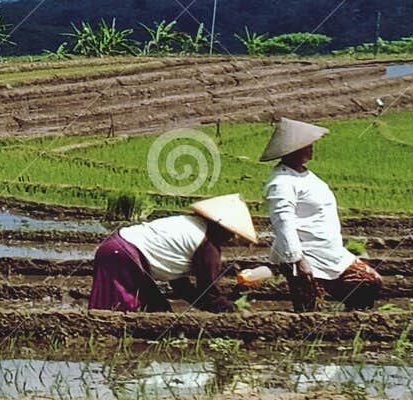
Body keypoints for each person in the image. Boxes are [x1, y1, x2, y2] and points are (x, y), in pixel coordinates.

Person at [259, 118, 382, 311]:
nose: (311, 147)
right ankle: (309, 336)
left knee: (368, 282)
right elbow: (283, 221)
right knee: (311, 311)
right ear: (294, 148)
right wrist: (297, 260)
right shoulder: (281, 182)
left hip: (329, 251)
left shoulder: (304, 174)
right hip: (306, 254)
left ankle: (351, 327)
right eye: (307, 144)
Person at [89, 194, 257, 312]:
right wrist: (232, 311)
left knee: (156, 309)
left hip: (117, 248)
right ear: (223, 229)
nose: (232, 238)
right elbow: (209, 294)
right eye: (232, 233)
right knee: (124, 311)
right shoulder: (207, 247)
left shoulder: (191, 226)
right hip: (123, 256)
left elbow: (181, 287)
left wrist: (223, 305)